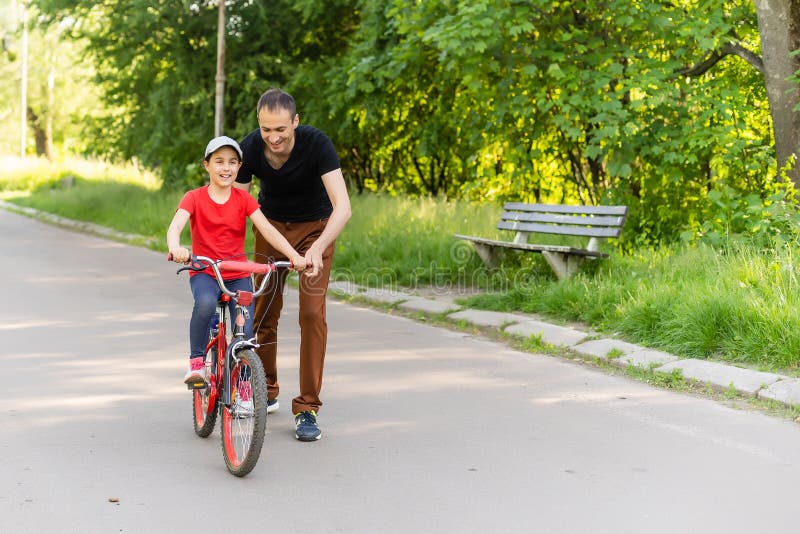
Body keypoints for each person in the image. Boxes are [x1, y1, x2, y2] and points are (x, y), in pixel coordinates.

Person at [234, 88, 351, 442]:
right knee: (264, 312)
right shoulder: (251, 147)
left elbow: (342, 206)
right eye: (266, 129)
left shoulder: (317, 145)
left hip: (315, 231)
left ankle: (307, 407)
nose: (273, 137)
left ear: (295, 122)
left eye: (281, 129)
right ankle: (266, 388)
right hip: (270, 230)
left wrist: (317, 247)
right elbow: (235, 205)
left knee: (312, 314)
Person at [167, 135, 306, 387]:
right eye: (219, 161)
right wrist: (176, 247)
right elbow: (175, 227)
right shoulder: (194, 197)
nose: (226, 168)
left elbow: (268, 230)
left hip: (238, 271)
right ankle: (197, 363)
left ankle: (242, 389)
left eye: (232, 162)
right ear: (206, 165)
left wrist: (293, 255)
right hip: (206, 270)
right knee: (206, 303)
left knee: (245, 330)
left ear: (239, 167)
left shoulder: (244, 200)